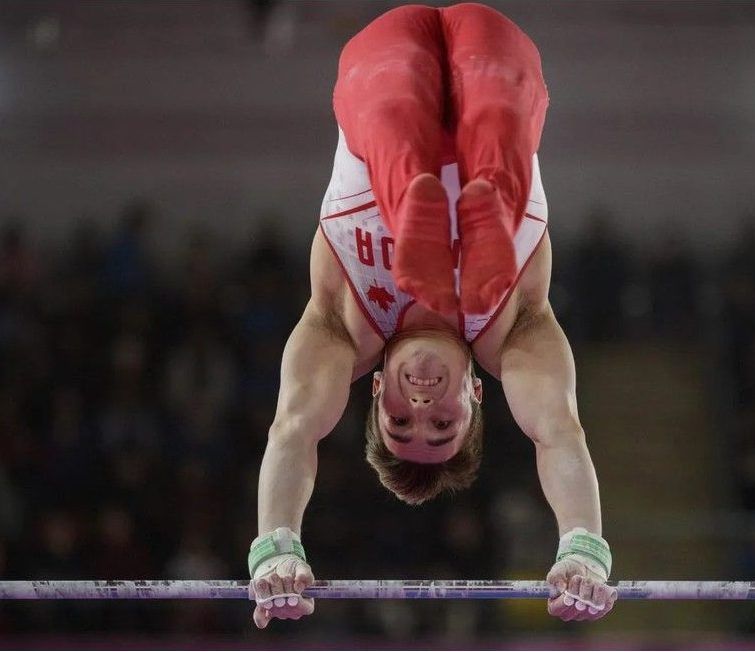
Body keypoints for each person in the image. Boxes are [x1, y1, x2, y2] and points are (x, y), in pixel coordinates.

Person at [247, 3, 616, 628]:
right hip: (495, 61)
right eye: (442, 424)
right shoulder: (513, 334)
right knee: (499, 125)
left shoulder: (343, 323)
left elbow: (293, 430)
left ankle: (416, 193)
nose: (421, 405)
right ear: (477, 393)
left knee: (393, 127)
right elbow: (558, 431)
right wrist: (583, 548)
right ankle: (487, 201)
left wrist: (276, 546)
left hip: (384, 70)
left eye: (398, 419)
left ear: (373, 387)